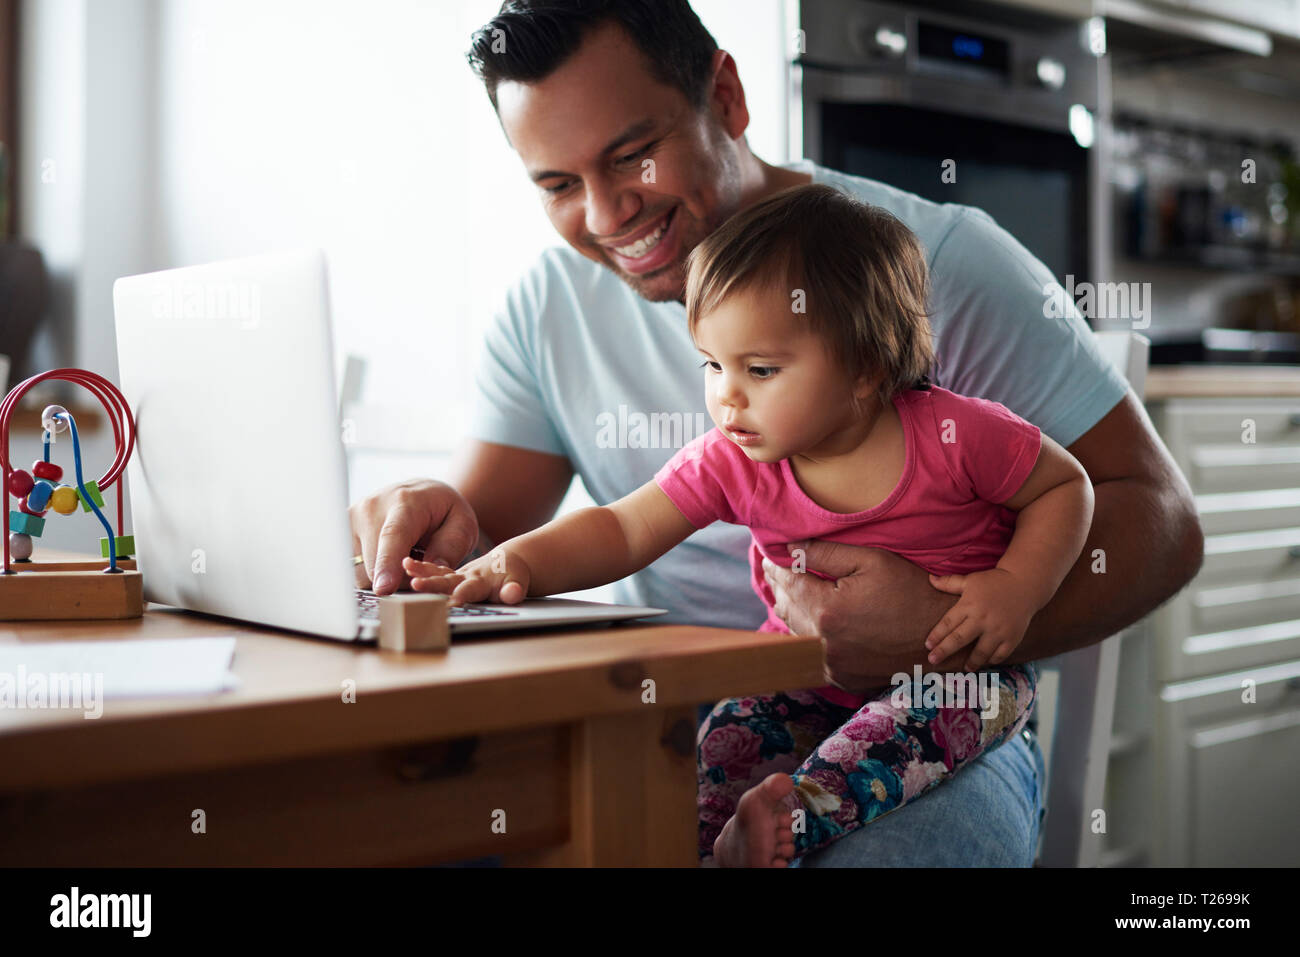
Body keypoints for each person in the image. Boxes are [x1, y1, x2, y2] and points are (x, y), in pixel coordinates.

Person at [349, 0, 1203, 867]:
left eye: (631, 155)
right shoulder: (551, 305)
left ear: (724, 96)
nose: (606, 215)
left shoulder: (933, 270)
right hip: (703, 699)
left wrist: (956, 620)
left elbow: (1163, 524)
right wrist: (445, 529)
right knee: (400, 826)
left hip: (940, 713)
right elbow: (512, 537)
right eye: (559, 186)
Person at [404, 184, 1096, 866]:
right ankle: (724, 842)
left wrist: (1015, 587)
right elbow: (621, 529)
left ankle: (789, 818)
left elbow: (1066, 486)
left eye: (760, 369)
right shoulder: (734, 459)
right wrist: (513, 564)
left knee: (897, 739)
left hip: (959, 678)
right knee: (718, 745)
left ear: (865, 367)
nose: (725, 395)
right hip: (798, 673)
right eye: (711, 363)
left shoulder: (956, 434)